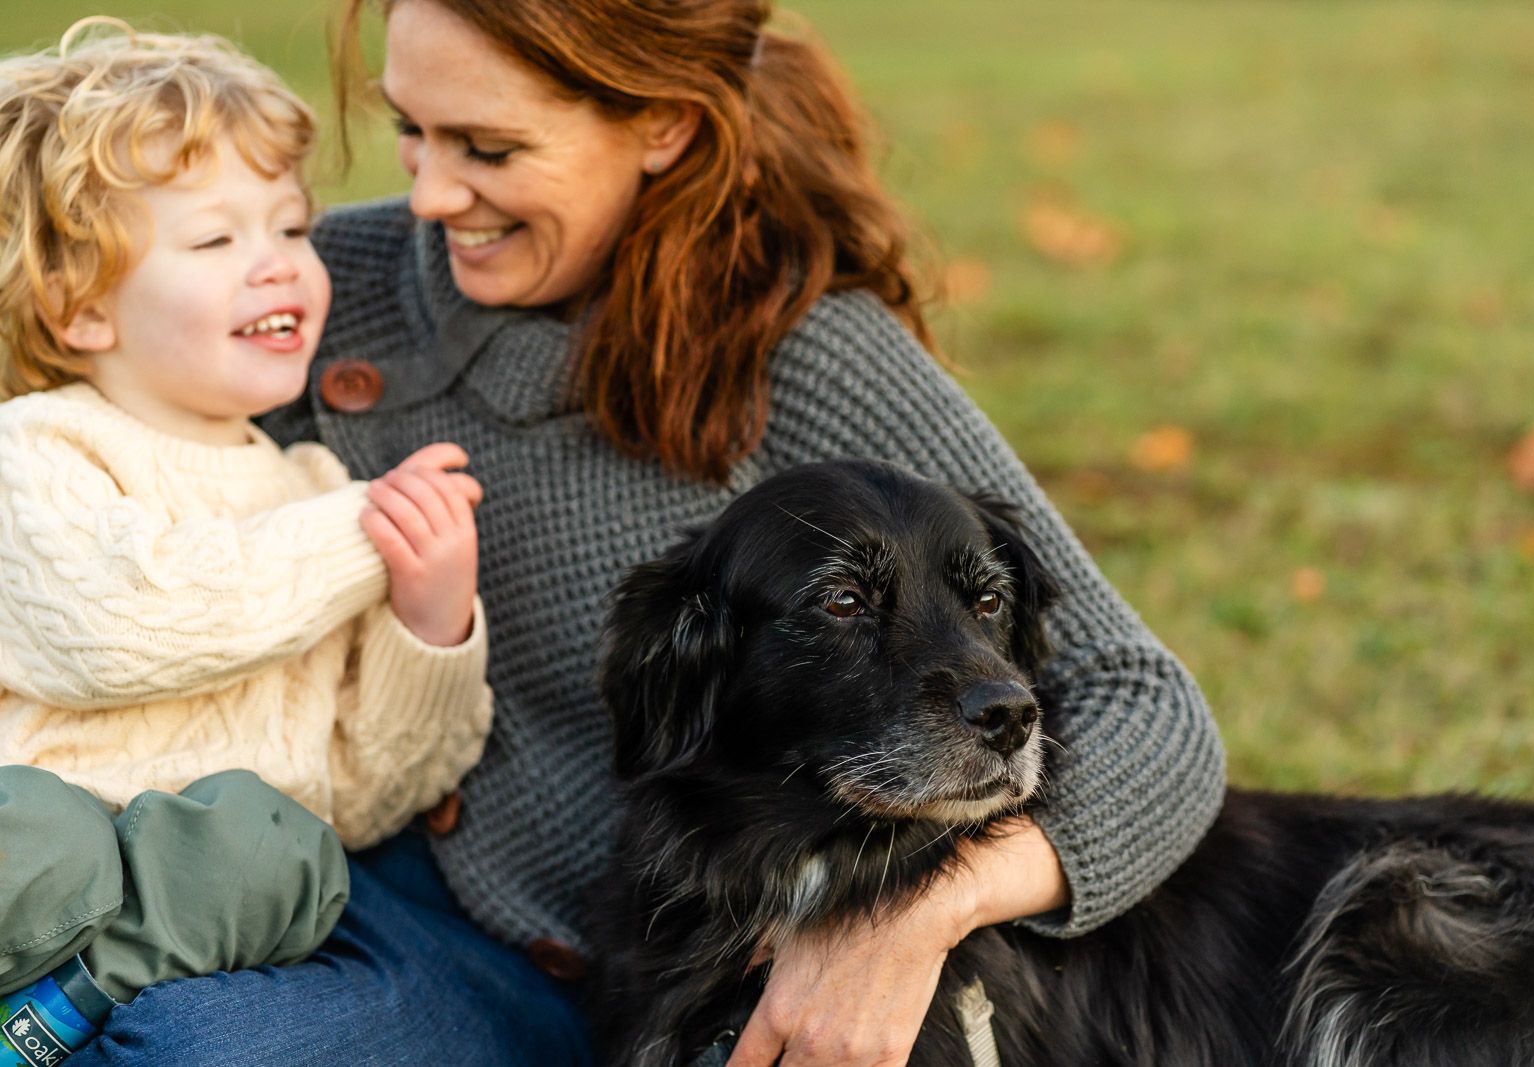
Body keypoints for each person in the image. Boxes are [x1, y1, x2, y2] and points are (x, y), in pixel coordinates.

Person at [66, 2, 1227, 1065]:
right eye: (412, 132)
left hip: (572, 969)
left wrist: (902, 925)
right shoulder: (317, 284)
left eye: (489, 149)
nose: (429, 196)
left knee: (194, 1049)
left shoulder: (805, 349)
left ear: (662, 125)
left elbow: (1144, 704)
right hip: (297, 863)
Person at [0, 20, 492, 1061]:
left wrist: (429, 624)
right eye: (217, 242)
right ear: (80, 306)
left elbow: (362, 789)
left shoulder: (308, 488)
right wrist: (362, 534)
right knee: (45, 832)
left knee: (280, 845)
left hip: (175, 916)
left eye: (293, 228)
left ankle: (57, 1014)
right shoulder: (35, 447)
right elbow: (117, 627)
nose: (278, 266)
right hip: (28, 853)